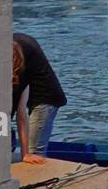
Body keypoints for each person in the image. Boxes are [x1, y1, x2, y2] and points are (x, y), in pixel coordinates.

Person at [12, 33, 67, 165]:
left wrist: (25, 154)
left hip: (46, 98)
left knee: (35, 152)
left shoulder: (20, 72)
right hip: (33, 88)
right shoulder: (14, 46)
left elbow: (19, 114)